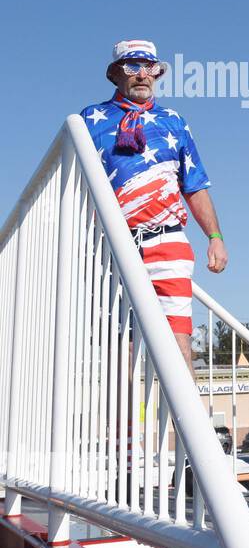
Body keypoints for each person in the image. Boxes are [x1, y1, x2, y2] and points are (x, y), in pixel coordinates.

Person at [81, 40, 227, 369]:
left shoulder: (174, 121)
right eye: (133, 66)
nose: (143, 75)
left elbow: (194, 184)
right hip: (112, 245)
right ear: (116, 73)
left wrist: (215, 238)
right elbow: (75, 183)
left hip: (168, 240)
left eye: (150, 67)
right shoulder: (90, 119)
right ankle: (123, 423)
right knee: (119, 348)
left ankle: (184, 422)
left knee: (178, 342)